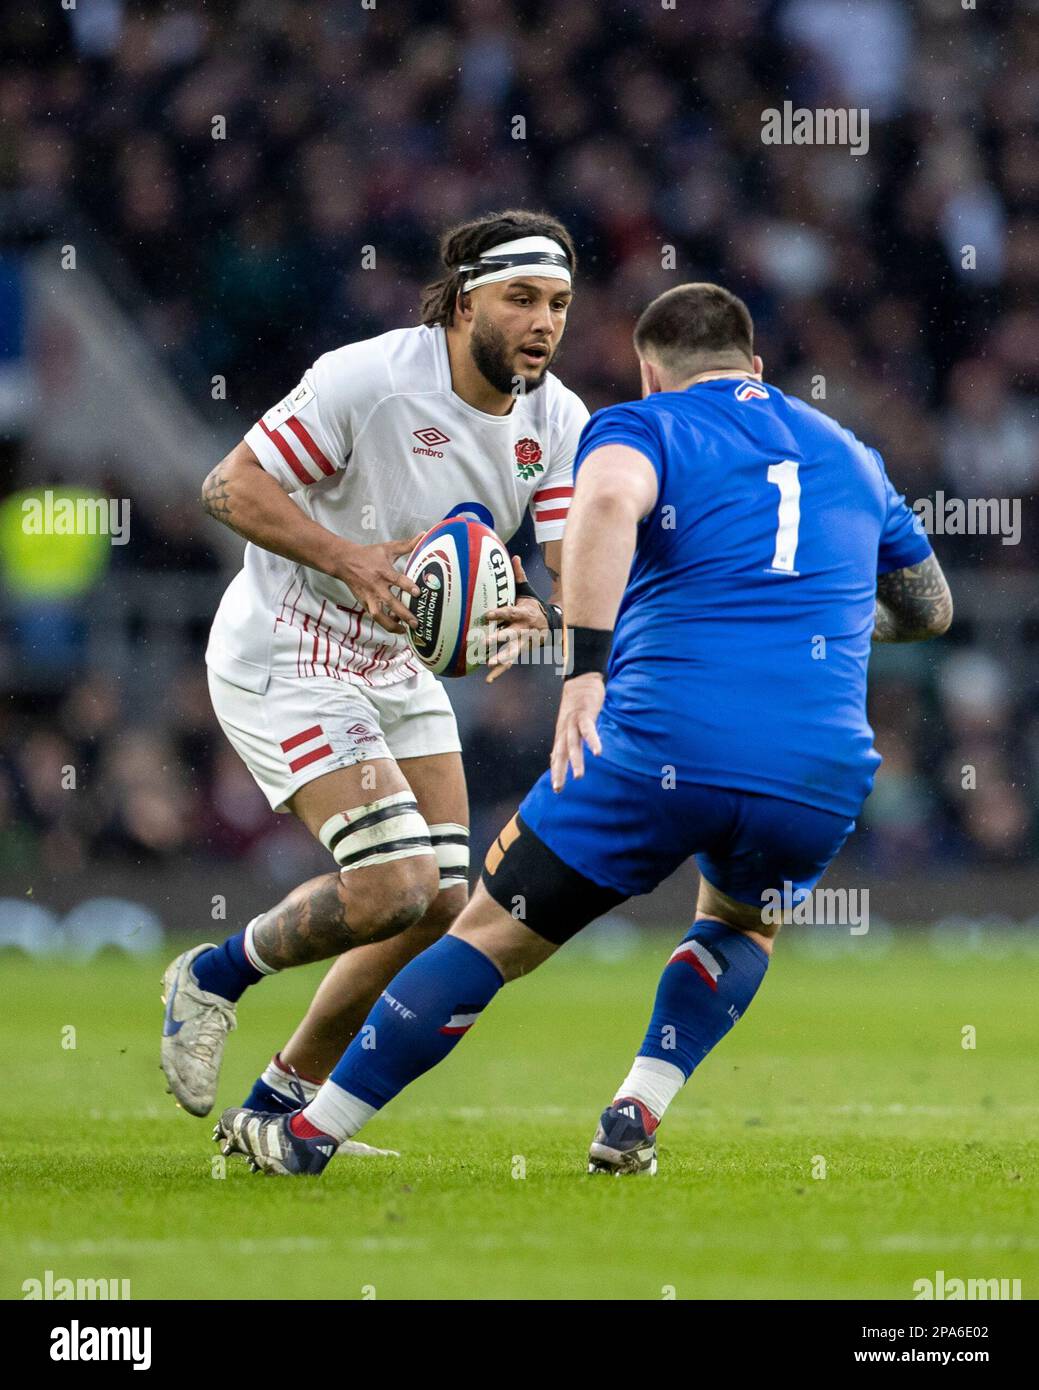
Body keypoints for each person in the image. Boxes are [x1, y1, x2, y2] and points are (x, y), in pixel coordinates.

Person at [213, 281, 953, 1177]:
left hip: (659, 743)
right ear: (755, 367)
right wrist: (816, 620)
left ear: (649, 373)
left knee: (485, 936)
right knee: (738, 928)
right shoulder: (850, 452)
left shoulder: (642, 427)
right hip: (816, 770)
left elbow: (605, 509)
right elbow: (927, 609)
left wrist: (585, 667)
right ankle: (638, 1105)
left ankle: (306, 1133)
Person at [161, 211, 588, 1136]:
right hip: (290, 642)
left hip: (393, 661)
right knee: (390, 887)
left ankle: (273, 1105)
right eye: (520, 299)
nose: (543, 323)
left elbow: (566, 557)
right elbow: (226, 485)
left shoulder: (556, 417)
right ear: (465, 298)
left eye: (557, 303)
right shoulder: (375, 379)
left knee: (435, 908)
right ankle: (212, 975)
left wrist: (543, 612)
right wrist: (349, 557)